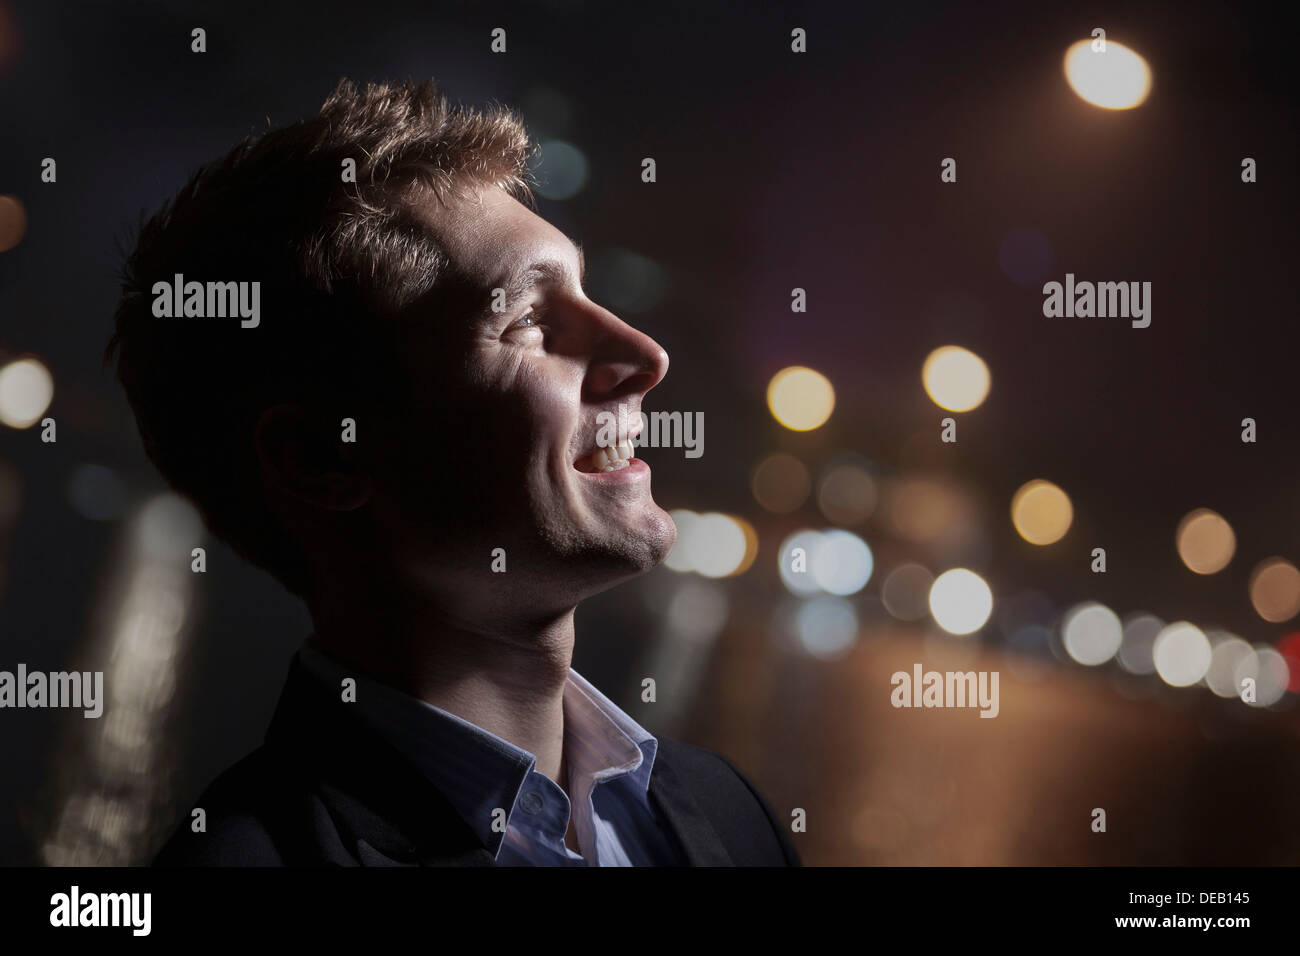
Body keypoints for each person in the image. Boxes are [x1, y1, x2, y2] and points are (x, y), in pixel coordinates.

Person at [106, 78, 799, 867]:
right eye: (531, 320)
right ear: (324, 459)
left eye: (587, 292)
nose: (645, 355)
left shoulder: (731, 812)